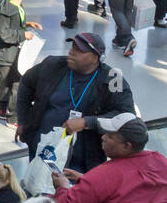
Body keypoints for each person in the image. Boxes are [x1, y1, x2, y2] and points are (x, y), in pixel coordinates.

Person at [15, 32, 136, 173]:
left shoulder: (112, 79)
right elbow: (26, 84)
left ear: (95, 57)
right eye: (72, 47)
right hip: (42, 150)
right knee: (37, 188)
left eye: (79, 50)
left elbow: (126, 116)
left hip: (81, 160)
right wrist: (24, 120)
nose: (72, 52)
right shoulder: (53, 65)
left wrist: (87, 122)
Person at [50, 114, 167, 203]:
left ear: (126, 146)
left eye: (110, 136)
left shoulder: (103, 175)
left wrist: (62, 188)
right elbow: (128, 189)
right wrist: (87, 180)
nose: (103, 137)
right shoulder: (161, 162)